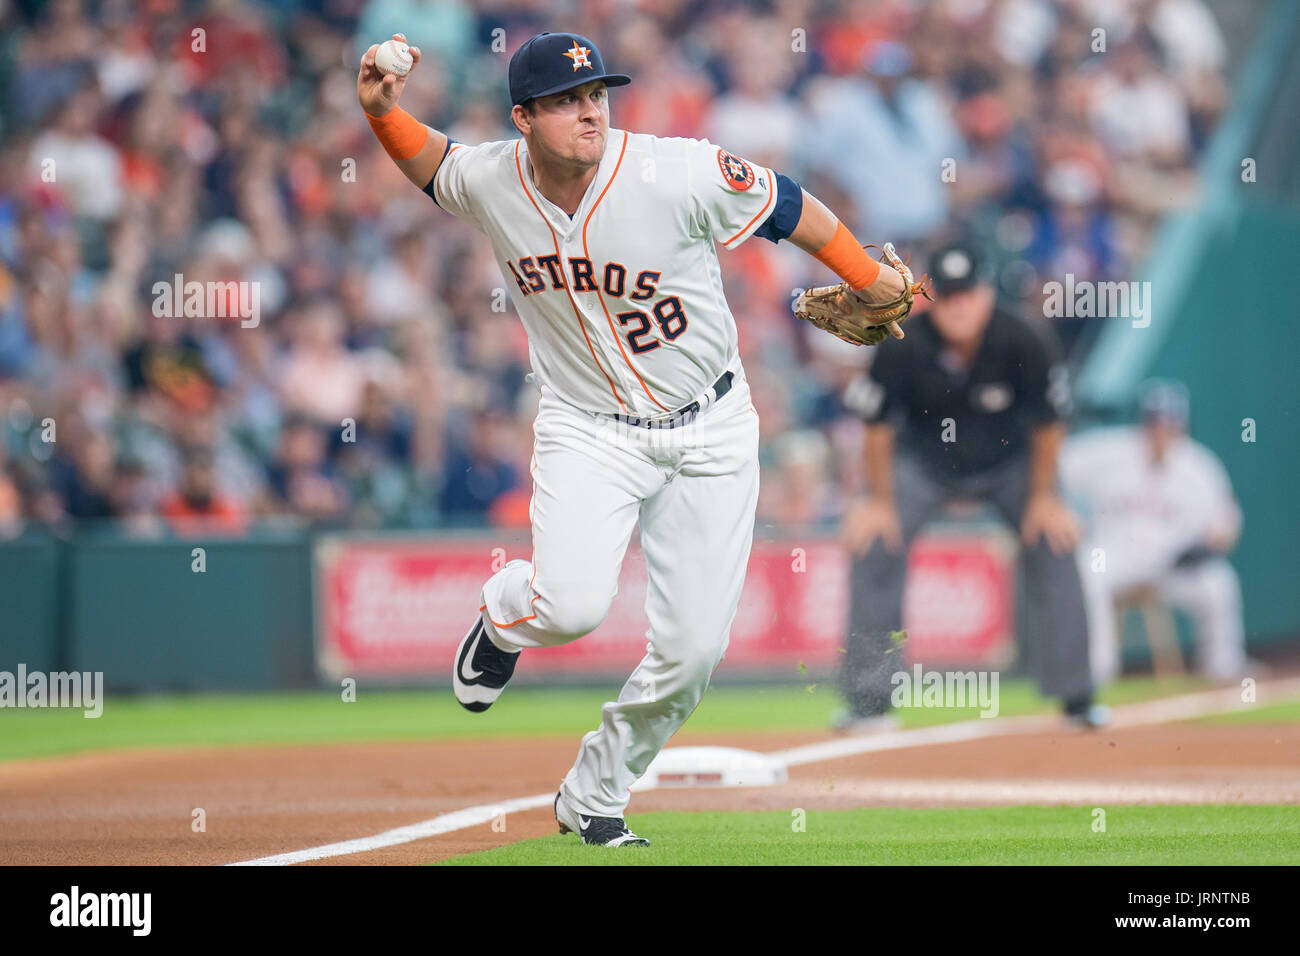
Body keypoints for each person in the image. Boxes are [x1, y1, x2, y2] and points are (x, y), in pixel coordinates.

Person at [357, 31, 911, 846]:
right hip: (588, 429)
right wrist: (380, 112)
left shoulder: (672, 170)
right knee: (571, 605)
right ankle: (506, 616)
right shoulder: (494, 179)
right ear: (523, 117)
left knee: (692, 652)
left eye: (596, 95)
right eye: (566, 101)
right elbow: (432, 164)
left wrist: (868, 279)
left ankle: (594, 792)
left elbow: (790, 205)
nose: (589, 111)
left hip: (711, 426)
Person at [839, 238, 1107, 731]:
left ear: (986, 294)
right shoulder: (902, 341)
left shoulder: (1024, 339)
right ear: (931, 297)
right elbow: (875, 427)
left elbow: (1048, 424)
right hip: (922, 465)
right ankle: (868, 702)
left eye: (969, 293)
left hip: (1010, 463)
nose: (959, 306)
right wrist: (877, 501)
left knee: (1054, 538)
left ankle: (1076, 697)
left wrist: (1045, 498)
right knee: (874, 540)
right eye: (950, 294)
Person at [1061, 381, 1246, 684]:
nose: (1161, 429)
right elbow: (1053, 464)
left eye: (1169, 421)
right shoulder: (1110, 451)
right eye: (1154, 420)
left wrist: (1213, 541)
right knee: (1086, 569)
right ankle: (1097, 670)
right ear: (1143, 422)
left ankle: (1222, 667)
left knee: (1218, 583)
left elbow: (1227, 524)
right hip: (1116, 556)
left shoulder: (1200, 466)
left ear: (1182, 425)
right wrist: (1064, 512)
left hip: (1171, 566)